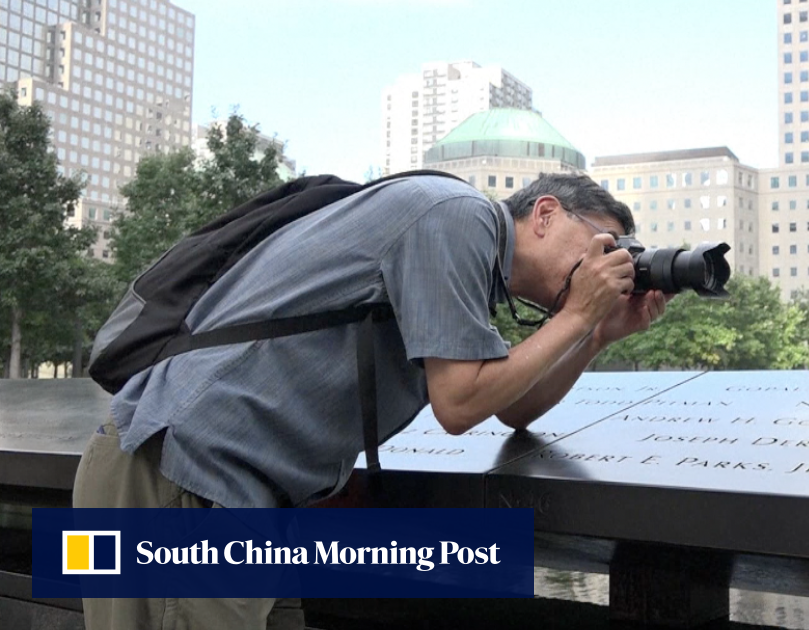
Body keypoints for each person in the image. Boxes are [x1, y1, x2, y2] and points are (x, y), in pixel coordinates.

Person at [72, 172, 667, 629]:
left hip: (231, 495)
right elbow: (459, 405)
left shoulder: (466, 260)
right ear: (544, 214)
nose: (608, 266)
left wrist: (595, 335)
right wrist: (581, 312)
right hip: (175, 478)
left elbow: (509, 407)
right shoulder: (457, 217)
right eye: (602, 245)